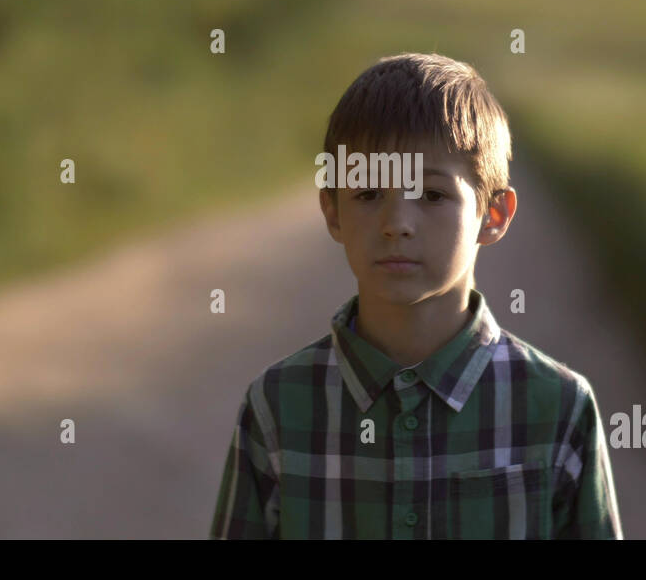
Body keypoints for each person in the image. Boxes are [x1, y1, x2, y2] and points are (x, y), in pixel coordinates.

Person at [209, 52, 622, 539]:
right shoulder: (277, 406)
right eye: (367, 194)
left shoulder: (558, 407)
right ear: (333, 210)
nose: (396, 225)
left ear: (493, 214)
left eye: (431, 195)